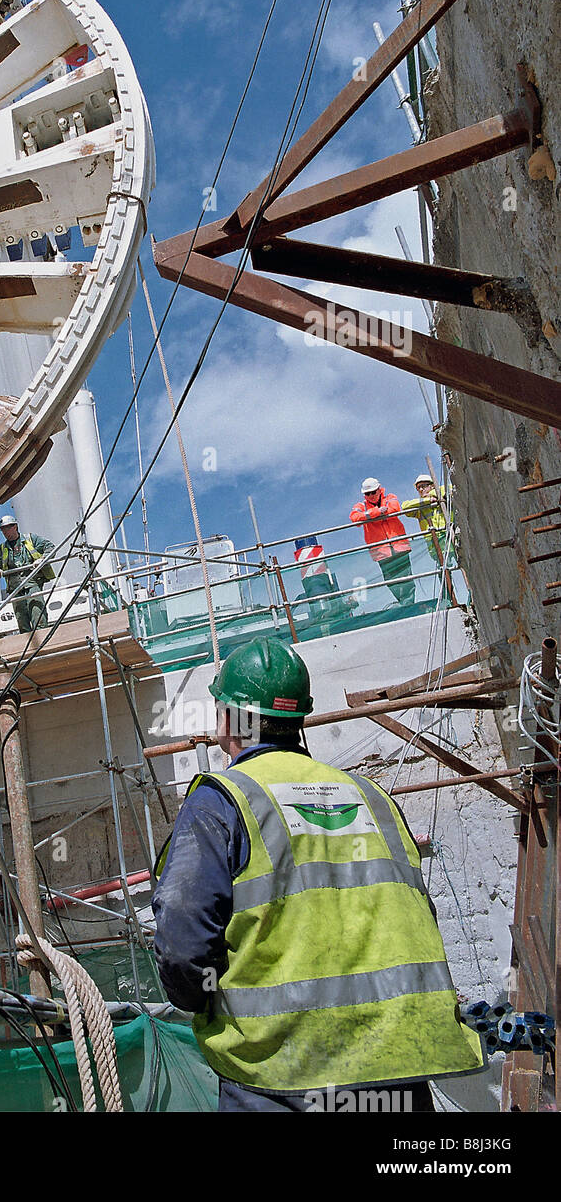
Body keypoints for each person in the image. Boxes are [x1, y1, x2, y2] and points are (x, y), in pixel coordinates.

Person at [151, 638, 484, 1112]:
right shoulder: (373, 798)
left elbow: (184, 936)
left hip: (280, 1073)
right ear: (300, 717)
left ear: (229, 720)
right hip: (396, 1067)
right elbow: (415, 911)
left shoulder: (223, 800)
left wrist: (200, 1001)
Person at [350, 477, 416, 608]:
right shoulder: (360, 506)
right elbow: (354, 518)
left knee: (406, 576)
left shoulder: (390, 497)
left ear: (380, 489)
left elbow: (394, 508)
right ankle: (404, 603)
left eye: (373, 492)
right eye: (367, 494)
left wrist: (369, 515)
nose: (371, 496)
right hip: (381, 551)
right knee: (390, 580)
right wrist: (377, 512)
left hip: (399, 546)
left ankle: (408, 604)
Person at [0, 514, 56, 632]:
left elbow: (50, 547)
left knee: (37, 610)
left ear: (15, 527)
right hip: (15, 588)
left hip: (32, 582)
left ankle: (42, 636)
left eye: (7, 528)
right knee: (21, 617)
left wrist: (42, 559)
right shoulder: (2, 548)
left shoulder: (30, 539)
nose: (5, 532)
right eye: (3, 530)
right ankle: (28, 644)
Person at [401, 473, 454, 568]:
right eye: (418, 488)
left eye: (423, 486)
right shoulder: (420, 507)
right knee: (443, 571)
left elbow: (450, 489)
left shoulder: (441, 495)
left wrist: (433, 494)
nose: (421, 490)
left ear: (432, 486)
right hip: (434, 544)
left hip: (451, 537)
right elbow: (405, 507)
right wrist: (428, 500)